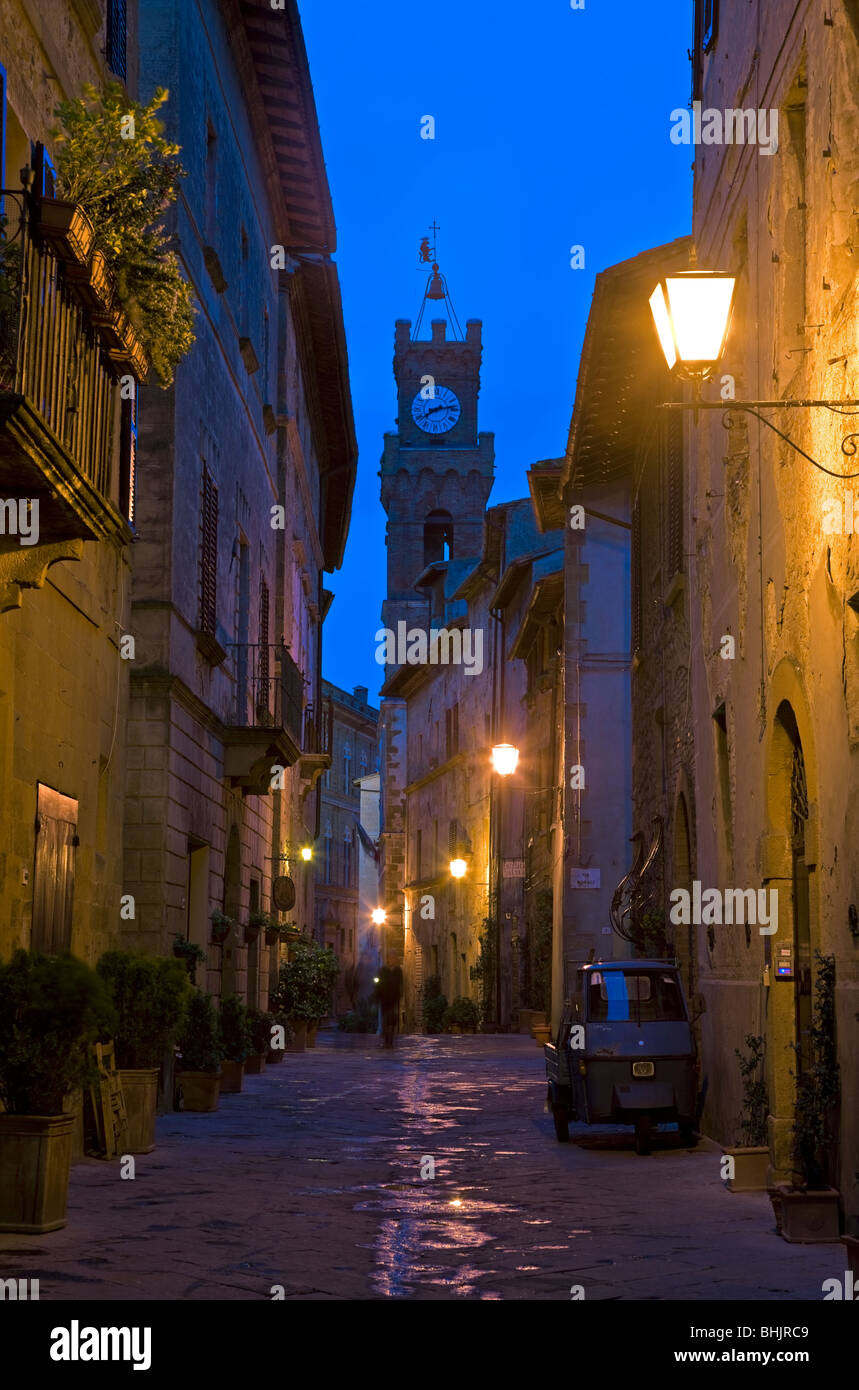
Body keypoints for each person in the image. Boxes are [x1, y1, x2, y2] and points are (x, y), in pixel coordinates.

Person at [375, 965, 403, 1048]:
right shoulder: (384, 970)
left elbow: (400, 983)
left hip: (393, 998)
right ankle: (387, 1039)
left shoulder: (397, 970)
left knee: (391, 1019)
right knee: (386, 1019)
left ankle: (389, 1040)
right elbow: (378, 983)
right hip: (385, 998)